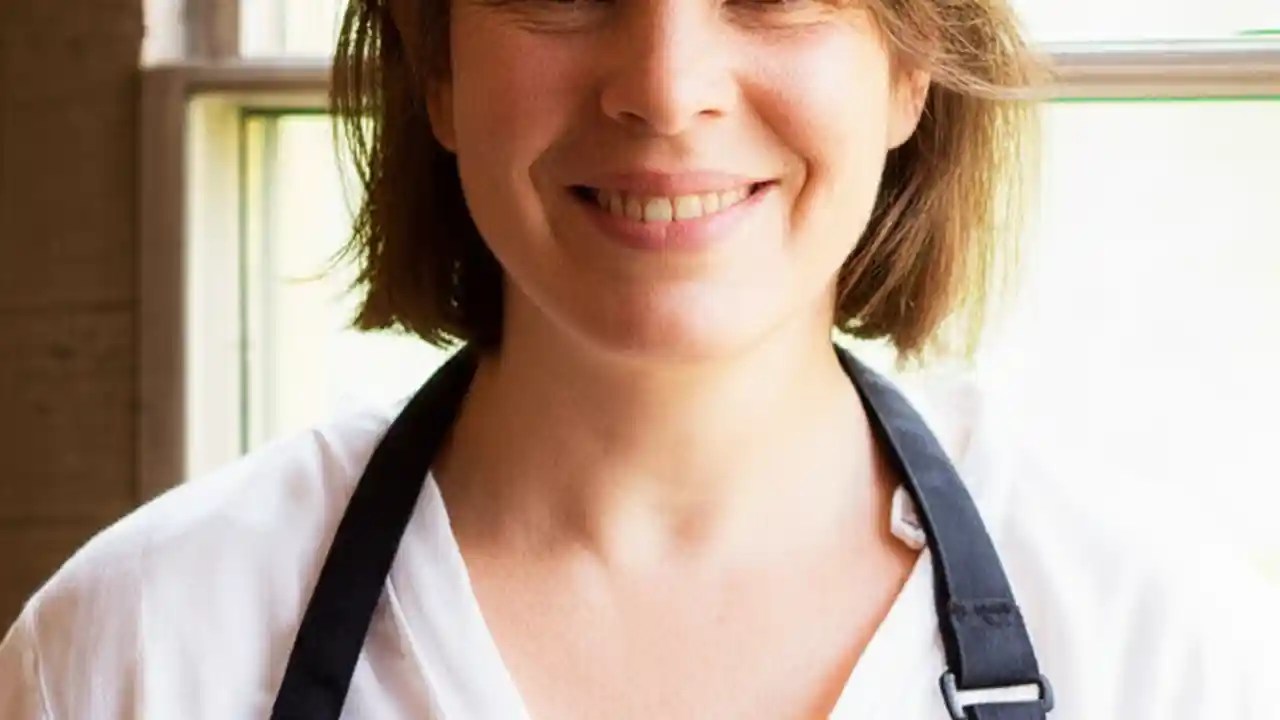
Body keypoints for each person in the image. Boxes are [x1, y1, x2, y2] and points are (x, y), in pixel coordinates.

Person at [3, 0, 1278, 717]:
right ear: (437, 68)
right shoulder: (132, 653)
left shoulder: (1163, 648)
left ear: (906, 67)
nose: (665, 88)